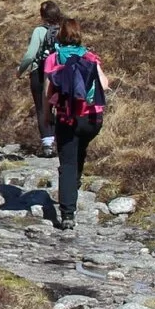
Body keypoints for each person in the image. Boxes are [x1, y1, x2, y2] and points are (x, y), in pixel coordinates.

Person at [42, 20, 110, 231]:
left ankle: (68, 214)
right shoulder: (90, 57)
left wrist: (46, 116)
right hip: (91, 119)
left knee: (68, 163)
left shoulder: (54, 59)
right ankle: (75, 184)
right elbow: (105, 85)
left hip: (67, 117)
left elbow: (48, 93)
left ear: (59, 37)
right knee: (80, 149)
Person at [17, 0, 65, 154]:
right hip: (61, 73)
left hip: (40, 72)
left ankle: (47, 144)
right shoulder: (65, 29)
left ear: (42, 15)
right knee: (62, 107)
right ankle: (63, 142)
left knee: (41, 107)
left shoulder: (39, 31)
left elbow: (30, 55)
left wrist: (20, 70)